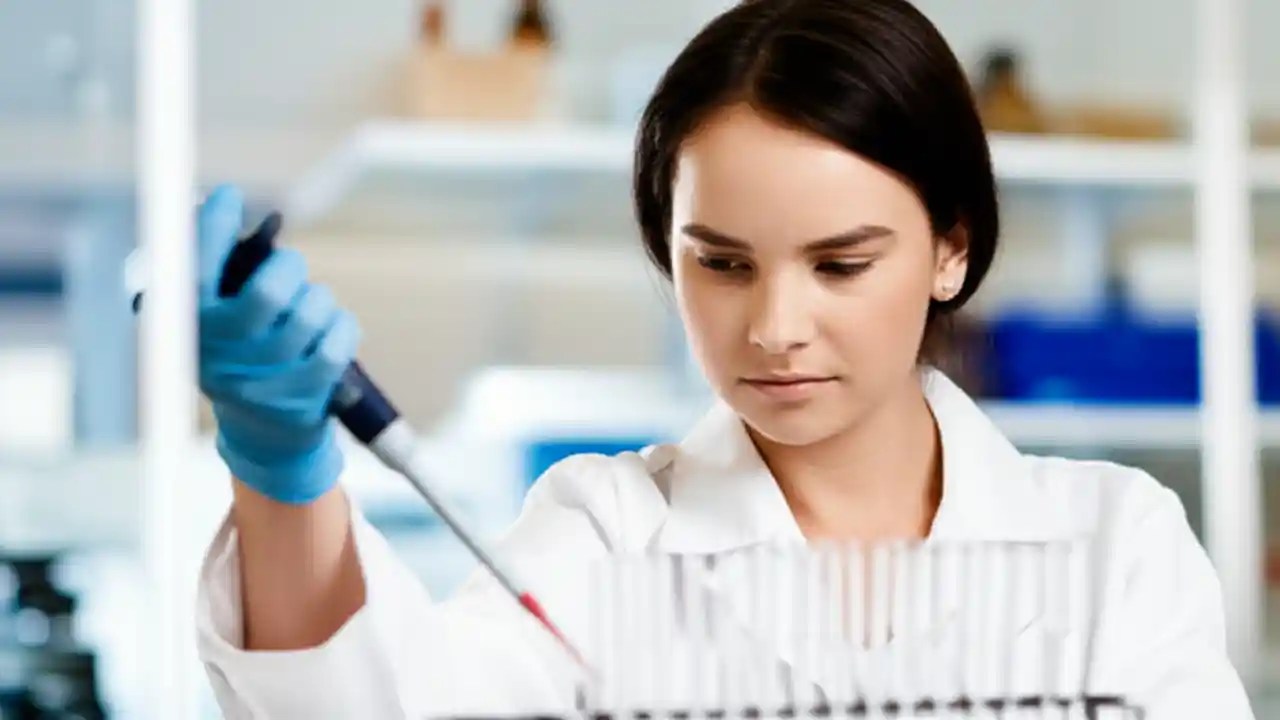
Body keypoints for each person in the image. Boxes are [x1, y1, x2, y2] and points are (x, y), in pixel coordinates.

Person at [194, 0, 1255, 717]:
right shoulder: (607, 539)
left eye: (839, 265)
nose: (772, 327)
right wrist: (278, 471)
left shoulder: (1112, 543)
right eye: (722, 263)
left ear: (950, 249)